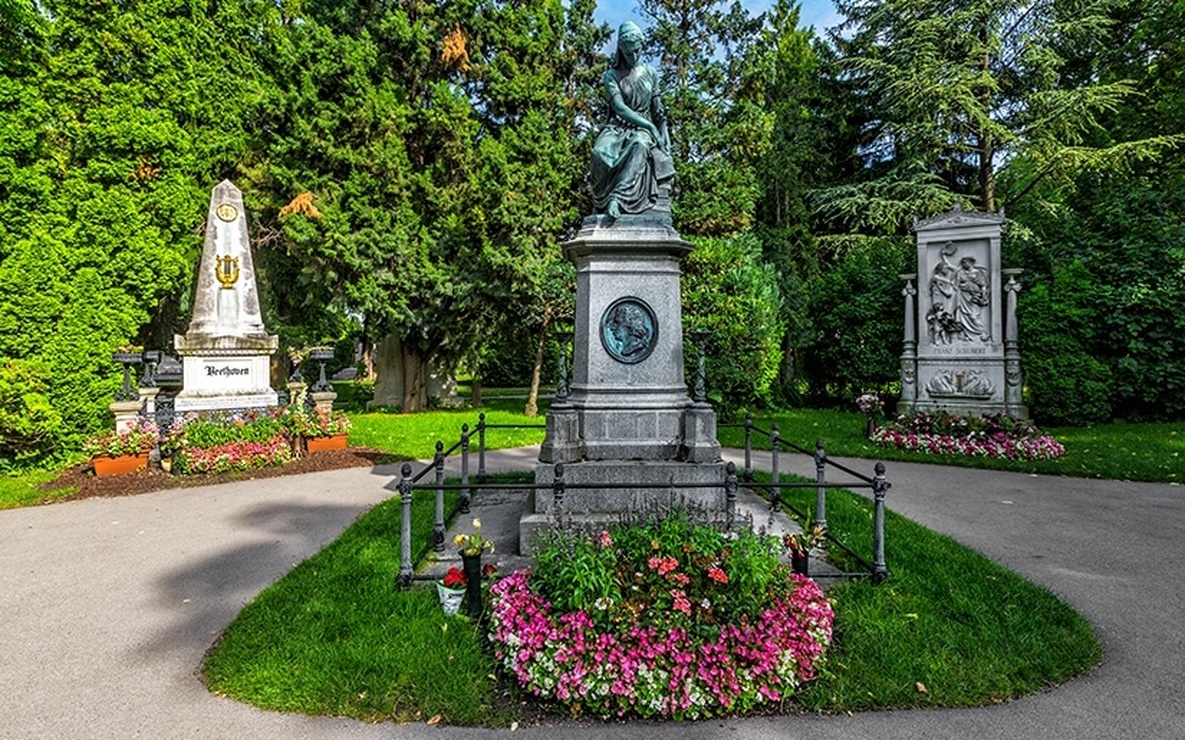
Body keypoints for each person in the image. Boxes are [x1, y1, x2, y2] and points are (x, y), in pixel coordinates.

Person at [591, 22, 673, 219]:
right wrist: (649, 125)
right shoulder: (611, 75)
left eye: (636, 51)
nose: (634, 57)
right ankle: (601, 200)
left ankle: (617, 199)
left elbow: (657, 111)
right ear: (620, 49)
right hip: (618, 127)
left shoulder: (650, 73)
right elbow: (619, 108)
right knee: (599, 152)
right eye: (629, 53)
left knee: (639, 144)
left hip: (642, 131)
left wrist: (663, 135)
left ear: (641, 47)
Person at [954, 255, 990, 341]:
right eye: (962, 263)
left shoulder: (977, 272)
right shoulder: (961, 273)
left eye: (965, 262)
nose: (963, 264)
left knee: (973, 316)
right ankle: (967, 336)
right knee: (963, 316)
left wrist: (983, 297)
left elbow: (983, 286)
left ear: (970, 262)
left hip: (973, 297)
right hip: (963, 297)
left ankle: (983, 333)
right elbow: (956, 284)